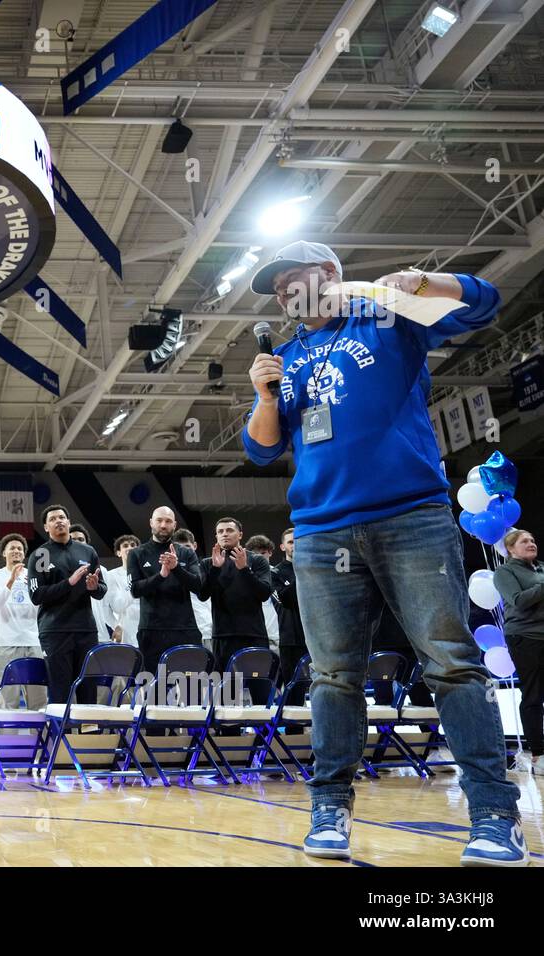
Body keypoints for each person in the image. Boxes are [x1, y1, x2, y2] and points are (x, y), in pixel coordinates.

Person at [244, 241, 524, 865]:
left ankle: (496, 816)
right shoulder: (284, 359)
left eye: (299, 279)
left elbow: (484, 305)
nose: (290, 292)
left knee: (450, 661)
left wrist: (426, 280)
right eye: (281, 287)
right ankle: (330, 810)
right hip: (320, 532)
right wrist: (266, 396)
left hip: (411, 518)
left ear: (332, 275)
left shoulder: (387, 315)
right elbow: (262, 451)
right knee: (333, 676)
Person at [26, 504, 106, 705]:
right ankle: (61, 735)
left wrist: (93, 587)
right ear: (46, 527)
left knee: (88, 689)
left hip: (86, 629)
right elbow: (37, 595)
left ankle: (88, 734)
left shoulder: (87, 551)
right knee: (60, 690)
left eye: (62, 517)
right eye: (53, 519)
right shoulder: (40, 555)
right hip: (55, 631)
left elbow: (101, 591)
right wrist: (69, 583)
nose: (59, 521)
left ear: (69, 522)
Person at [493, 529, 543, 776]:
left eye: (533, 540)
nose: (531, 543)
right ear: (511, 549)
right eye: (525, 541)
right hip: (525, 637)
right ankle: (538, 755)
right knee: (533, 695)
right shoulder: (505, 572)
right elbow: (519, 600)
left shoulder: (541, 569)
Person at [130, 509, 203, 676]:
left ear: (175, 525)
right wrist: (161, 575)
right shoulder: (137, 553)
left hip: (185, 630)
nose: (163, 525)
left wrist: (176, 568)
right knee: (156, 693)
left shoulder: (186, 552)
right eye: (159, 520)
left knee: (192, 691)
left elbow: (198, 586)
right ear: (151, 522)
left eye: (168, 521)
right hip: (151, 631)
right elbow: (135, 590)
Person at [200, 518, 273, 672]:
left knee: (260, 689)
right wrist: (215, 569)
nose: (224, 534)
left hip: (254, 634)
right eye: (220, 531)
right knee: (229, 693)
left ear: (240, 534)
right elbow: (203, 594)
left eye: (229, 530)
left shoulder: (257, 560)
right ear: (216, 536)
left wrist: (244, 569)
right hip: (223, 636)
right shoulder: (208, 563)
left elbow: (264, 593)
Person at [0, 533, 43, 709]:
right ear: (4, 553)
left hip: (34, 643)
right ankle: (8, 738)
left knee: (39, 701)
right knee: (7, 701)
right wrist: (11, 581)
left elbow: (40, 609)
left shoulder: (34, 576)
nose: (16, 551)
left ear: (24, 554)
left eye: (20, 548)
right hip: (7, 644)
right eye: (12, 548)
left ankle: (39, 737)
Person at [270, 528, 308, 682]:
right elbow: (285, 600)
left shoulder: (314, 570)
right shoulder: (275, 573)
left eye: (298, 541)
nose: (295, 545)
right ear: (283, 546)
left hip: (316, 638)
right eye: (291, 542)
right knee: (294, 691)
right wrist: (301, 571)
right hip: (291, 640)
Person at [69, 525, 114, 641]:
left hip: (99, 633)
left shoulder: (102, 571)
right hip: (68, 632)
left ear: (88, 545)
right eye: (73, 539)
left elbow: (108, 604)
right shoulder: (59, 570)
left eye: (81, 539)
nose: (77, 542)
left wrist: (116, 625)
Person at [171, 528, 213, 651]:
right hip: (179, 631)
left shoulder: (206, 570)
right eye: (180, 547)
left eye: (187, 547)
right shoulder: (167, 572)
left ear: (194, 546)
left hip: (206, 630)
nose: (184, 551)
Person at [244, 534, 282, 661]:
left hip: (277, 633)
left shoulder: (279, 574)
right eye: (256, 553)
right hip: (255, 632)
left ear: (270, 553)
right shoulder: (246, 576)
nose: (260, 557)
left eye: (263, 553)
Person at [105, 534, 140, 648]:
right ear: (119, 553)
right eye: (125, 546)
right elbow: (117, 606)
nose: (130, 548)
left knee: (159, 664)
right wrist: (116, 626)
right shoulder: (111, 575)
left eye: (133, 545)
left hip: (150, 628)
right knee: (131, 665)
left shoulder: (148, 573)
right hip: (127, 631)